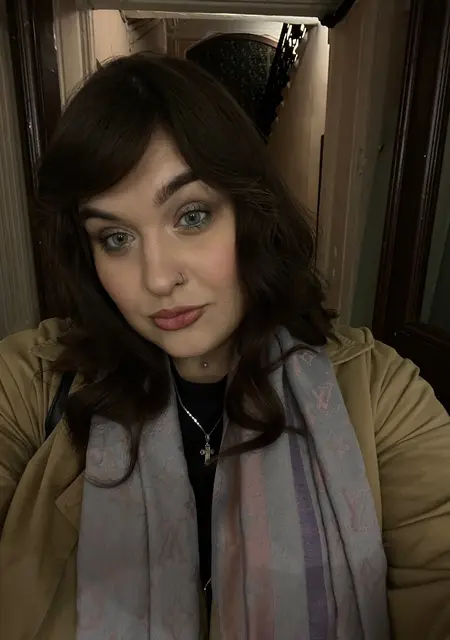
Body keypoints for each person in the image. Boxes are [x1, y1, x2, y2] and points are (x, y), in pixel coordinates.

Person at [0, 54, 450, 640]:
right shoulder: (31, 382)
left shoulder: (380, 394)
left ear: (250, 211)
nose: (158, 278)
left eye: (191, 216)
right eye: (115, 237)